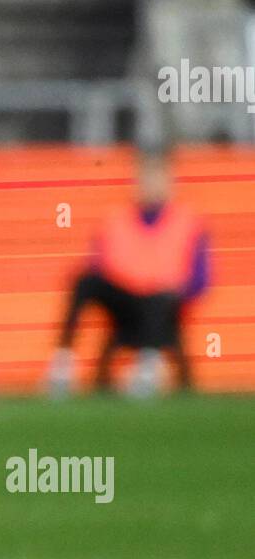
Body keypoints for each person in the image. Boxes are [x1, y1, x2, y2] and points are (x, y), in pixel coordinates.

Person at [47, 150, 209, 397]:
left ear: (170, 184)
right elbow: (99, 266)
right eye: (146, 179)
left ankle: (148, 369)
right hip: (126, 302)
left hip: (164, 305)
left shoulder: (188, 223)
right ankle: (63, 364)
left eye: (157, 179)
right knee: (84, 282)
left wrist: (175, 290)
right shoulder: (116, 220)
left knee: (160, 299)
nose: (151, 186)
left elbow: (201, 281)